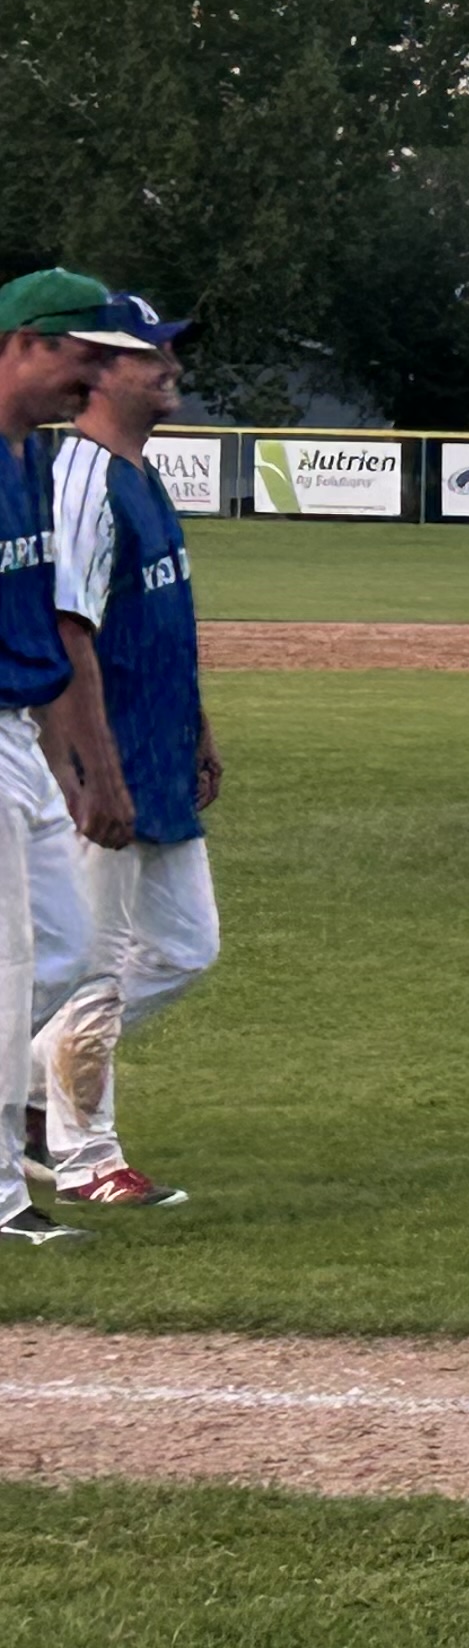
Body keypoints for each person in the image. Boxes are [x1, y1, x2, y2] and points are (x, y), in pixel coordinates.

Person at [28, 292, 213, 1210]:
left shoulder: (140, 473)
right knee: (95, 966)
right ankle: (86, 1158)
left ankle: (26, 1084)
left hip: (157, 751)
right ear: (98, 372)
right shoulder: (86, 481)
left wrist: (199, 731)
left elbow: (160, 623)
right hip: (108, 762)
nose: (168, 366)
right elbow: (70, 632)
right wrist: (93, 770)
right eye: (149, 355)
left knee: (185, 950)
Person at [0, 270, 122, 1249]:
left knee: (66, 949)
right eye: (84, 361)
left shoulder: (28, 457)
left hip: (18, 733)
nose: (93, 384)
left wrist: (66, 757)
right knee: (8, 968)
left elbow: (37, 617)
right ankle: (2, 1198)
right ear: (29, 343)